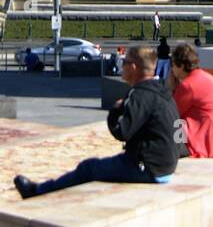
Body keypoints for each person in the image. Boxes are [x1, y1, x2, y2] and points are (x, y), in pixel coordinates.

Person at [14, 45, 180, 198]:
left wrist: (115, 110)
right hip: (167, 166)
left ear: (134, 67)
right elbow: (178, 128)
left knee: (88, 168)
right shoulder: (163, 92)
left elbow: (122, 131)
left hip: (148, 168)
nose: (122, 65)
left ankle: (38, 192)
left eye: (125, 62)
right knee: (101, 165)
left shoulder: (140, 95)